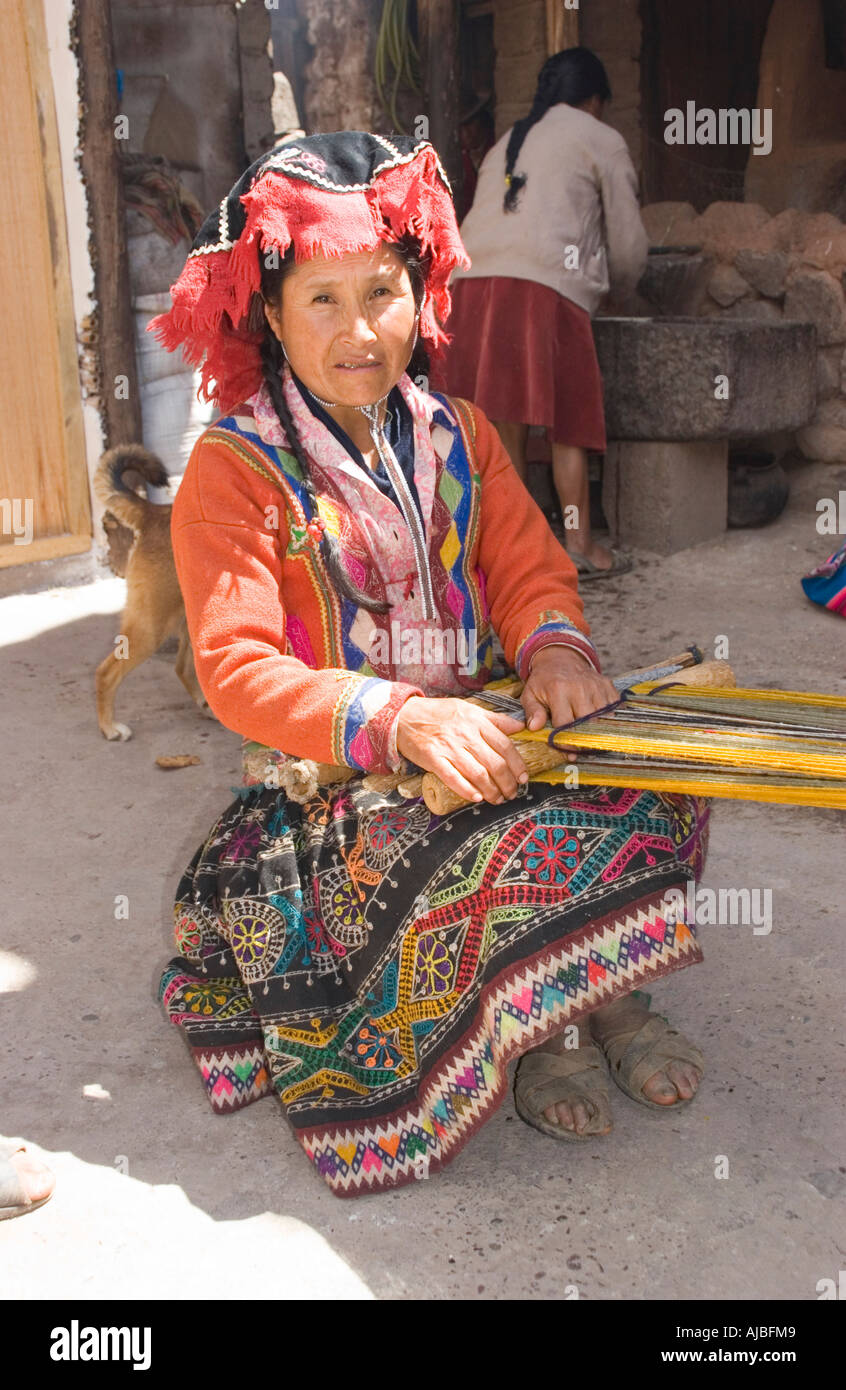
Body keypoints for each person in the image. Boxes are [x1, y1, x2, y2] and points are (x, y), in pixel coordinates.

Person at [152, 132, 707, 1198]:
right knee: (490, 838)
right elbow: (234, 666)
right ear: (270, 314)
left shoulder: (461, 433)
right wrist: (403, 721)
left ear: (423, 296)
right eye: (322, 300)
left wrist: (553, 653)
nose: (361, 330)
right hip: (332, 789)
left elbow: (529, 569)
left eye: (384, 292)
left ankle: (612, 992)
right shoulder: (234, 469)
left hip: (485, 719)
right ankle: (552, 1026)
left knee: (652, 762)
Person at [440, 48, 649, 578]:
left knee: (501, 420)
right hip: (542, 285)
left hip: (469, 286)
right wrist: (623, 289)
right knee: (569, 423)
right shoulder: (601, 137)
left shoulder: (509, 139)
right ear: (595, 99)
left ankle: (514, 549)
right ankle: (578, 544)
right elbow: (628, 247)